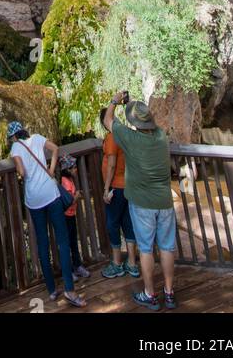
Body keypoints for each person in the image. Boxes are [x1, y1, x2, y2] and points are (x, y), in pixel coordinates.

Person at [103, 92, 176, 310]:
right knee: (167, 248)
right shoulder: (162, 135)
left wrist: (115, 101)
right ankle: (169, 294)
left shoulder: (130, 138)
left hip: (142, 204)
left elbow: (108, 121)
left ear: (134, 123)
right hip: (164, 201)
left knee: (146, 249)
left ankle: (150, 294)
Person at [8, 119, 86, 307]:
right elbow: (55, 148)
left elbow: (21, 172)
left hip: (34, 200)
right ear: (24, 131)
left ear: (12, 137)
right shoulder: (36, 138)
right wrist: (51, 169)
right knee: (62, 241)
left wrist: (17, 162)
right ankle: (69, 289)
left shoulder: (15, 149)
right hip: (51, 194)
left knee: (43, 243)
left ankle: (51, 290)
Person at [98, 107, 139, 279]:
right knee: (127, 222)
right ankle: (132, 263)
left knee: (112, 224)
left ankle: (116, 264)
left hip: (116, 187)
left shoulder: (112, 137)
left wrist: (106, 189)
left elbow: (112, 164)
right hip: (128, 186)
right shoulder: (125, 135)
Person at [58, 154, 90, 280]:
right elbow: (67, 200)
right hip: (66, 216)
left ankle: (77, 266)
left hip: (71, 215)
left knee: (73, 242)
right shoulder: (64, 183)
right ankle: (70, 269)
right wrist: (76, 196)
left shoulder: (70, 180)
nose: (76, 169)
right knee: (67, 243)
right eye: (74, 167)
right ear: (68, 170)